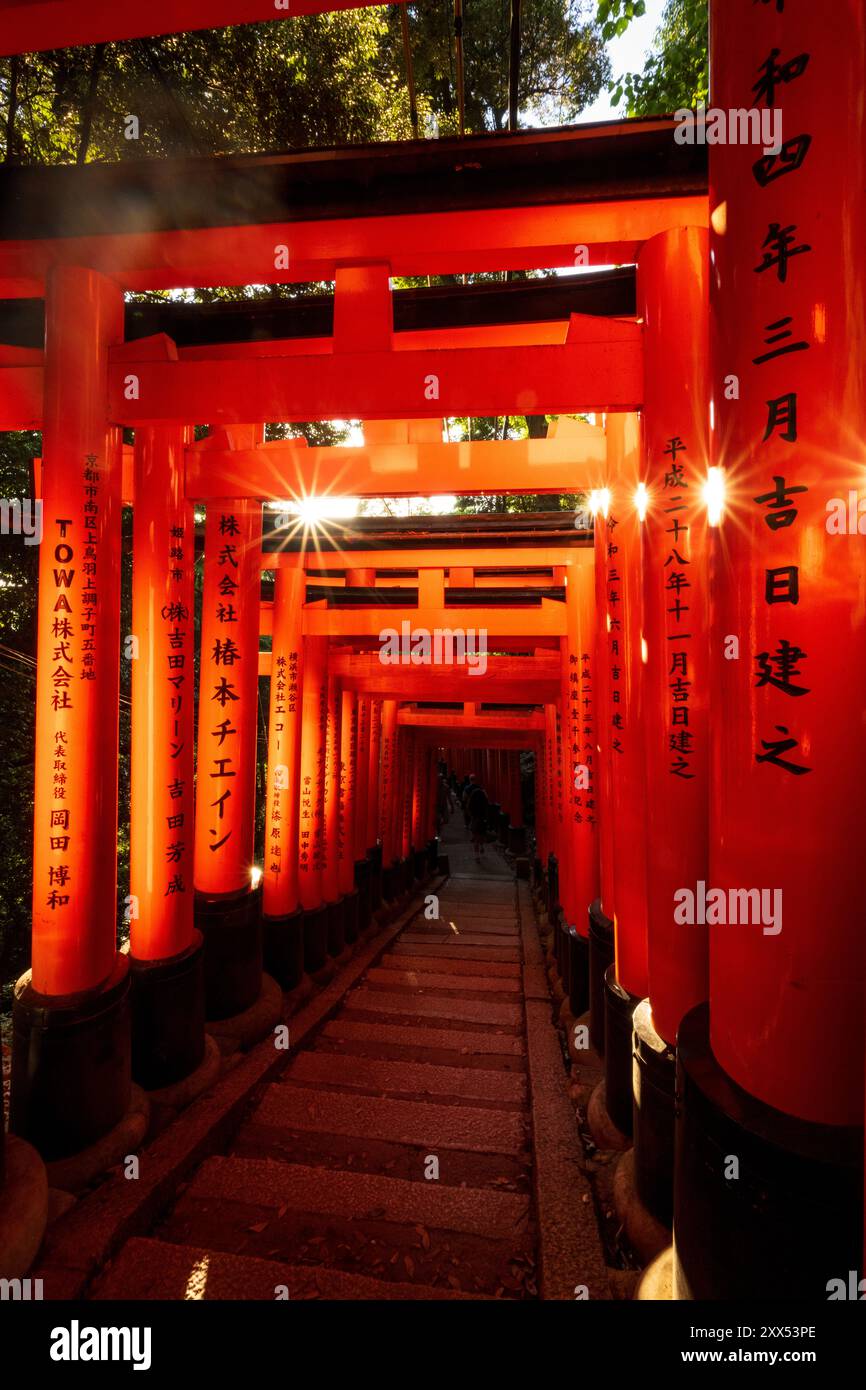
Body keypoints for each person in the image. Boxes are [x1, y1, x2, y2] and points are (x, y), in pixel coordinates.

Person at [466, 779, 489, 860]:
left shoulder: (473, 795)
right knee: (482, 836)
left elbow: (468, 807)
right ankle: (482, 846)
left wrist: (471, 816)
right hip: (482, 820)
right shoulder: (483, 794)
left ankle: (477, 855)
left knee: (476, 838)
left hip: (475, 819)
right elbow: (487, 804)